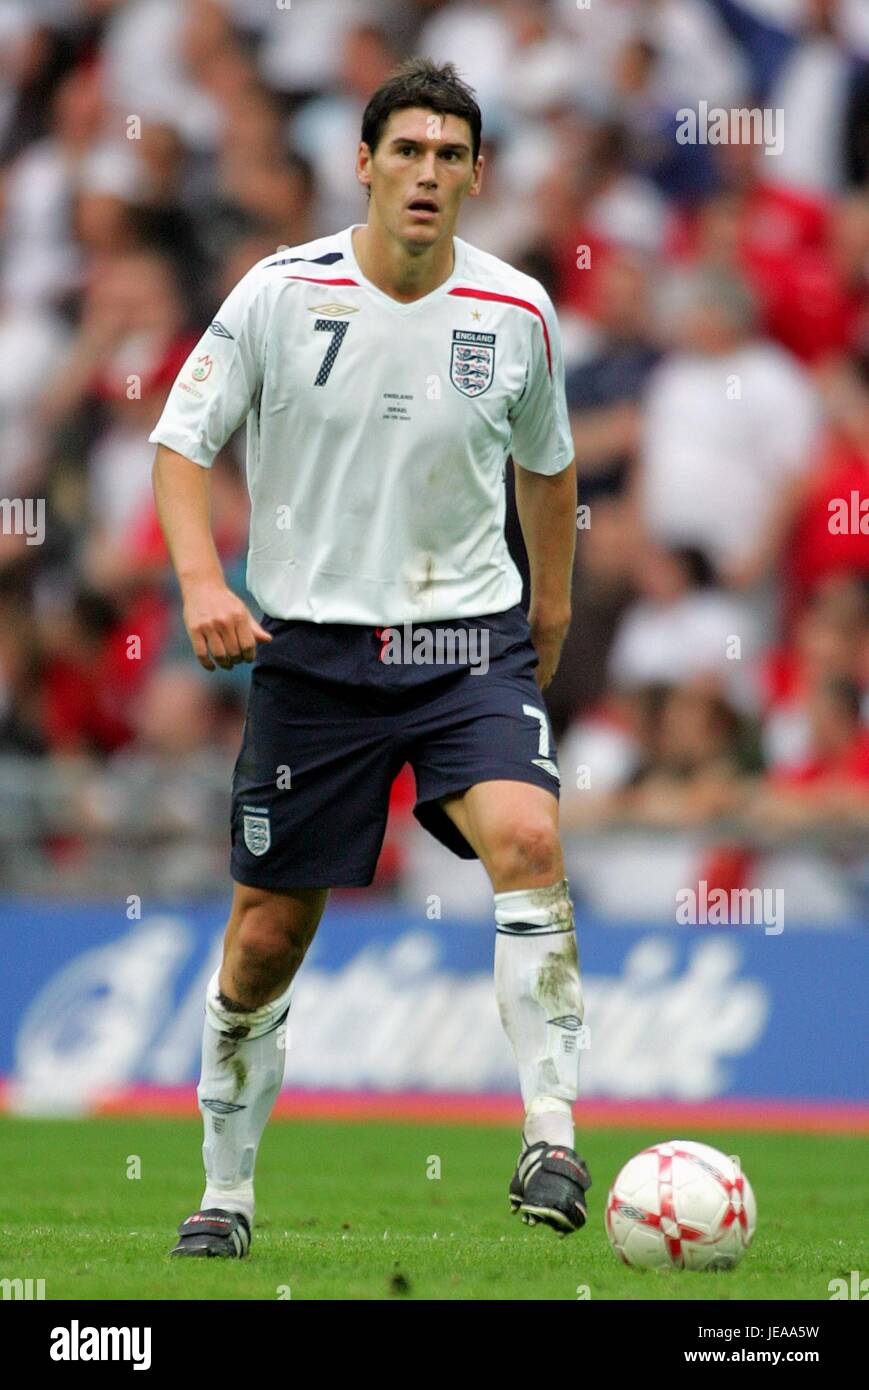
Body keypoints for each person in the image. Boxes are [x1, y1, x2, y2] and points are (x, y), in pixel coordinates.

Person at [149, 58, 588, 1258]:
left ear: (477, 174)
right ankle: (224, 1194)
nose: (428, 174)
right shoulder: (280, 294)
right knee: (262, 940)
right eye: (408, 151)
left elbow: (548, 469)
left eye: (450, 155)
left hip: (465, 646)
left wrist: (544, 617)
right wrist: (200, 580)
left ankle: (549, 1133)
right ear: (363, 162)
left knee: (531, 839)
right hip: (314, 655)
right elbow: (182, 446)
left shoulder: (515, 312)